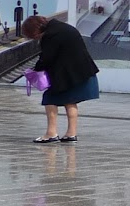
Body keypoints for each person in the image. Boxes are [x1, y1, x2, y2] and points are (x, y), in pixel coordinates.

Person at [20, 15, 100, 144]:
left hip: (68, 74)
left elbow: (47, 57)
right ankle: (71, 134)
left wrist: (35, 70)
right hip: (81, 72)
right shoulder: (62, 27)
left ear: (35, 31)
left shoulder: (50, 35)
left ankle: (51, 133)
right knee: (71, 101)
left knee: (49, 99)